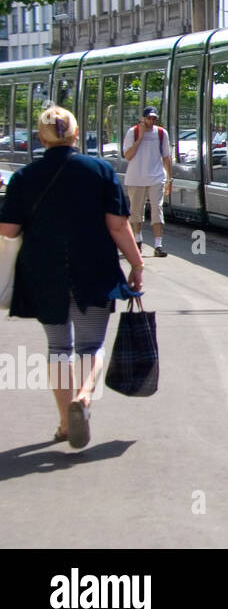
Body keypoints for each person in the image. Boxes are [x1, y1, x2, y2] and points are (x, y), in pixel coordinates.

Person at [0, 106, 144, 450]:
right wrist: (137, 266)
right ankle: (84, 397)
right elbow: (118, 226)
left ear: (40, 137)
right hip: (94, 267)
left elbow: (8, 230)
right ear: (76, 135)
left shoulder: (24, 177)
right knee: (90, 346)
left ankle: (66, 422)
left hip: (44, 271)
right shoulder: (100, 171)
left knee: (59, 347)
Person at [122, 106, 172, 257]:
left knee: (157, 209)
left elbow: (166, 157)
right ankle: (137, 241)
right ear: (142, 118)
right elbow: (128, 155)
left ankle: (158, 245)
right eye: (148, 118)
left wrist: (170, 178)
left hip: (156, 177)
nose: (151, 121)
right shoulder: (133, 132)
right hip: (136, 178)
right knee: (136, 212)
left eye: (154, 118)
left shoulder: (162, 133)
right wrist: (140, 137)